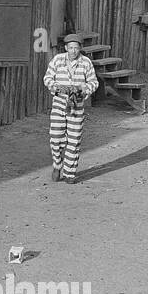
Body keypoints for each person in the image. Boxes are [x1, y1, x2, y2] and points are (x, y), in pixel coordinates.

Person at [42, 33, 98, 183]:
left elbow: (94, 82)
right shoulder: (57, 60)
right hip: (59, 104)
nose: (73, 51)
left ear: (80, 48)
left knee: (74, 140)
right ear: (66, 48)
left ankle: (69, 173)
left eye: (76, 48)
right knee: (55, 137)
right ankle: (57, 165)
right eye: (71, 48)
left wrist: (83, 88)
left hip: (77, 106)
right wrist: (57, 88)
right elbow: (47, 78)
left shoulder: (86, 62)